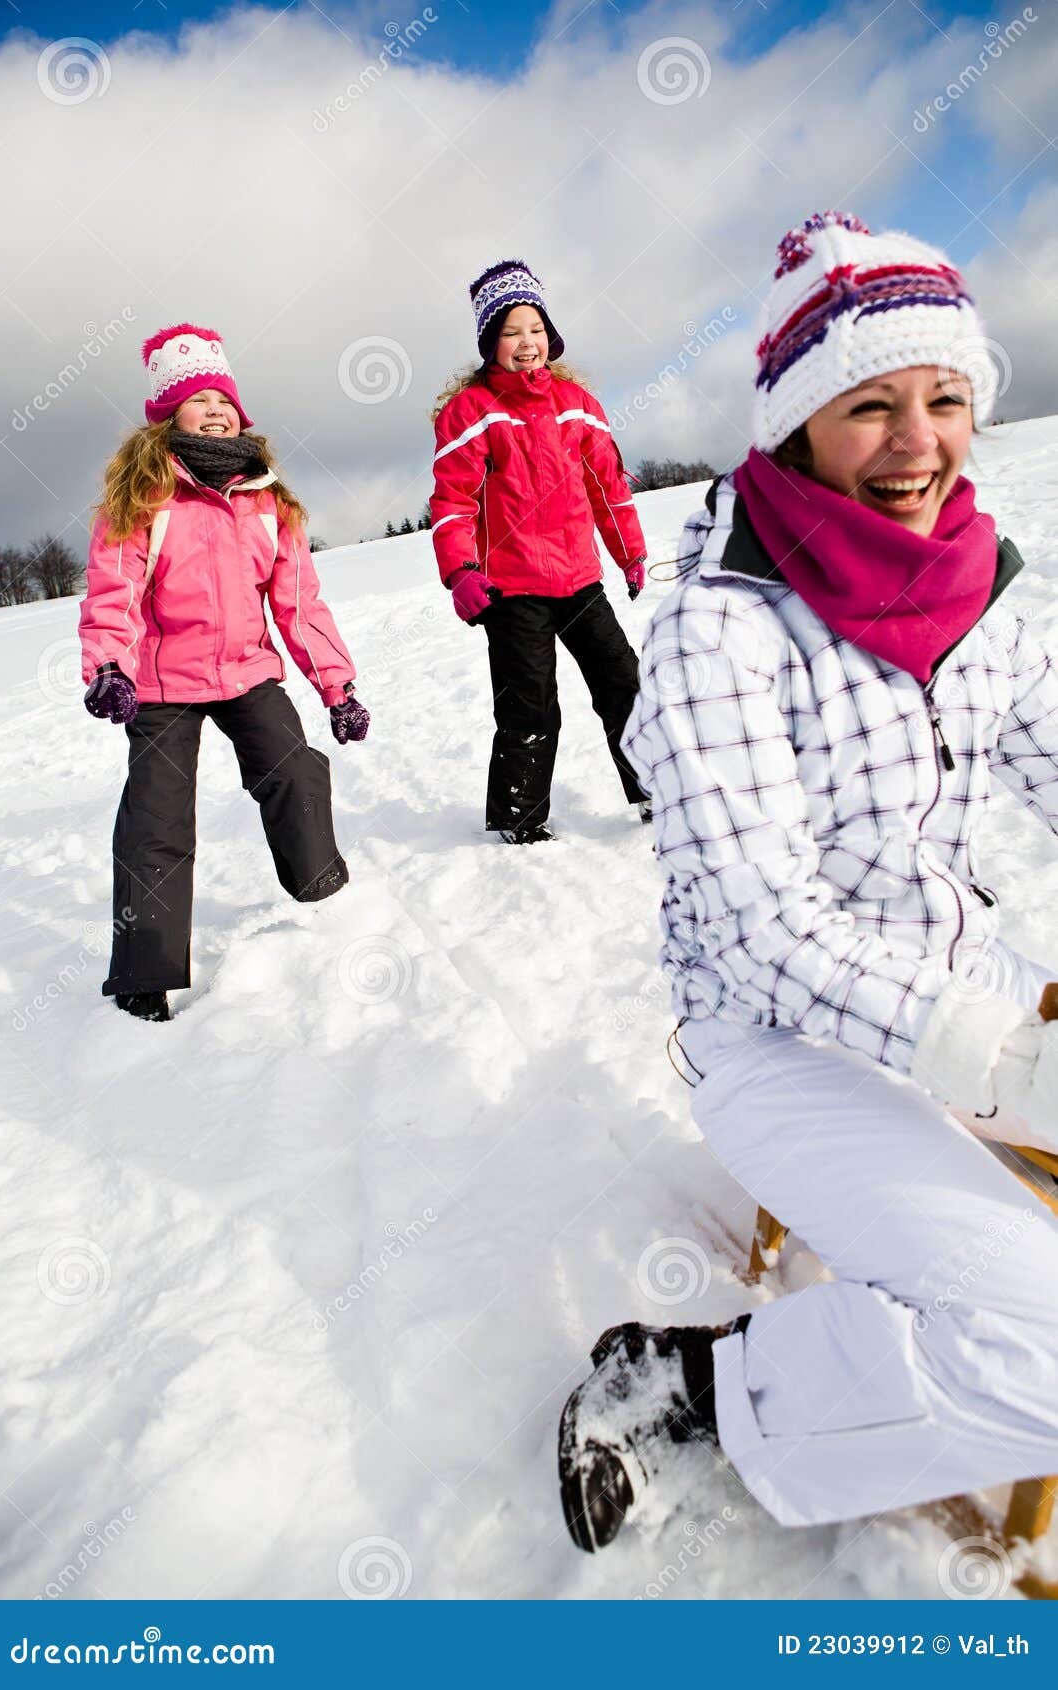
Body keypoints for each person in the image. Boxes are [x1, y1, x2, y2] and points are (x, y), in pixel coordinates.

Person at [558, 212, 1058, 1551]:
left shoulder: (974, 585)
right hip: (773, 1038)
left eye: (944, 399)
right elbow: (762, 930)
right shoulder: (716, 627)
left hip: (955, 977)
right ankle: (697, 1384)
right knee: (1047, 1349)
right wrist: (1001, 1063)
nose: (916, 442)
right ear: (791, 422)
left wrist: (995, 1037)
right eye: (868, 406)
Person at [78, 323, 369, 1023]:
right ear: (166, 415)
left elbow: (300, 604)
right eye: (196, 398)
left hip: (246, 672)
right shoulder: (144, 498)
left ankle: (319, 887)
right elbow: (113, 590)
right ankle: (144, 974)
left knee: (294, 766)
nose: (214, 409)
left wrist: (338, 684)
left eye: (223, 398)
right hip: (159, 685)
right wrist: (109, 668)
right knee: (155, 819)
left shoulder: (267, 501)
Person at [429, 259, 650, 844]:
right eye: (510, 332)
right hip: (511, 590)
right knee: (530, 708)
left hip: (579, 578)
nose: (525, 344)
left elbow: (608, 484)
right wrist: (461, 571)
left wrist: (630, 552)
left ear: (549, 335)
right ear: (489, 343)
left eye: (534, 330)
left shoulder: (577, 403)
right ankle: (518, 820)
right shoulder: (470, 413)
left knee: (623, 682)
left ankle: (658, 790)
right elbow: (454, 500)